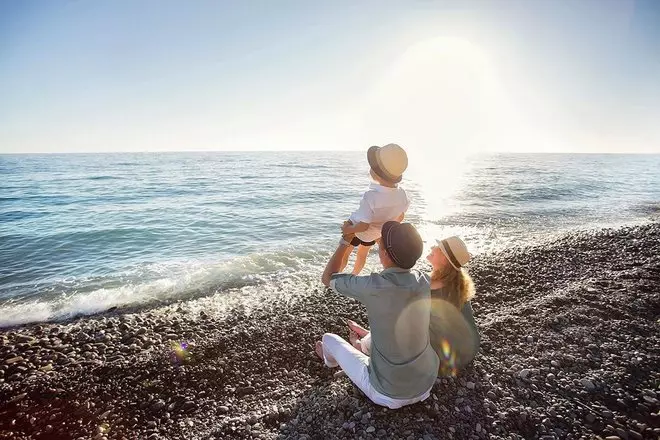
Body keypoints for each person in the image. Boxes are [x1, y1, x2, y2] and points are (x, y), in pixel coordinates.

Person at [318, 221, 439, 409]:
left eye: (379, 243)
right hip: (426, 383)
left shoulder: (374, 286)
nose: (377, 244)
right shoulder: (422, 279)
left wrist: (345, 240)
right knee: (395, 330)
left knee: (329, 339)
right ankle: (361, 345)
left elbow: (328, 278)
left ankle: (329, 360)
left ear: (384, 255)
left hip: (388, 393)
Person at [348, 236, 479, 375]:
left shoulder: (432, 286)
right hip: (466, 351)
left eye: (438, 248)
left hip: (444, 360)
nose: (432, 248)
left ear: (445, 260)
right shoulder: (457, 283)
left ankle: (362, 347)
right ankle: (370, 336)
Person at [338, 143, 410, 275]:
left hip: (356, 229)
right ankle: (354, 275)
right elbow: (400, 217)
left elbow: (363, 226)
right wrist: (384, 231)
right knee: (362, 254)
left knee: (345, 253)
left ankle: (337, 277)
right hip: (376, 233)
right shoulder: (402, 194)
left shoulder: (371, 196)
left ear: (376, 173)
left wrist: (348, 229)